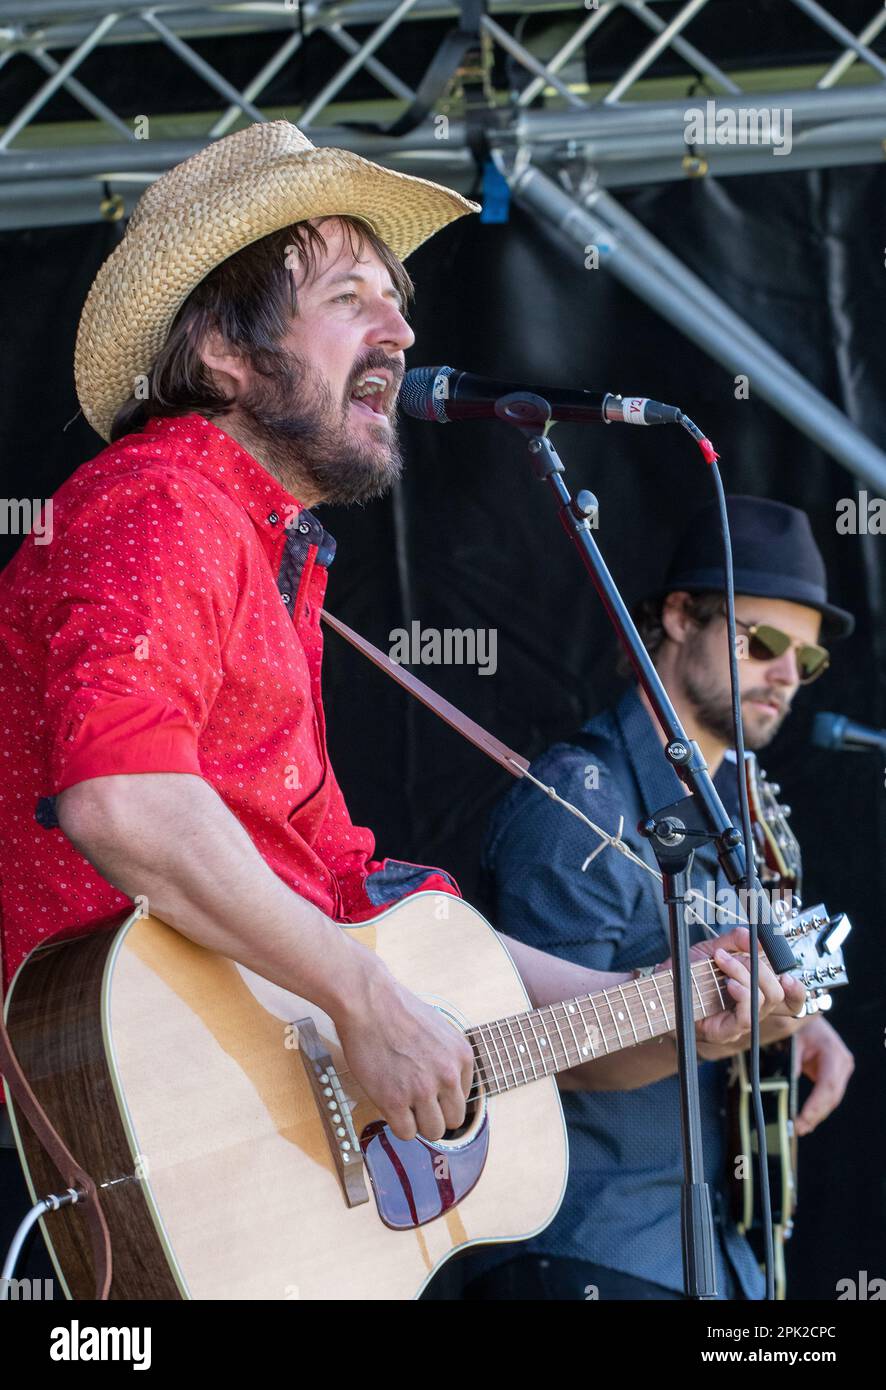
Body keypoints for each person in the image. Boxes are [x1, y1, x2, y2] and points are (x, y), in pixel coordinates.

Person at [0, 124, 796, 1290]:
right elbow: (126, 801)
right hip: (102, 1131)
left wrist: (670, 1010)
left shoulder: (275, 556)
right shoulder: (164, 501)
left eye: (399, 298)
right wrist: (363, 995)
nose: (403, 331)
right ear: (222, 348)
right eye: (348, 295)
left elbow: (389, 952)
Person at [452, 495, 855, 1301]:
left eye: (805, 662)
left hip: (717, 1256)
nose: (786, 674)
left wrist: (800, 1019)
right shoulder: (582, 803)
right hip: (585, 1249)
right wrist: (707, 1036)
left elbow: (747, 970)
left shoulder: (744, 814)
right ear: (677, 616)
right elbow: (539, 1053)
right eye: (764, 641)